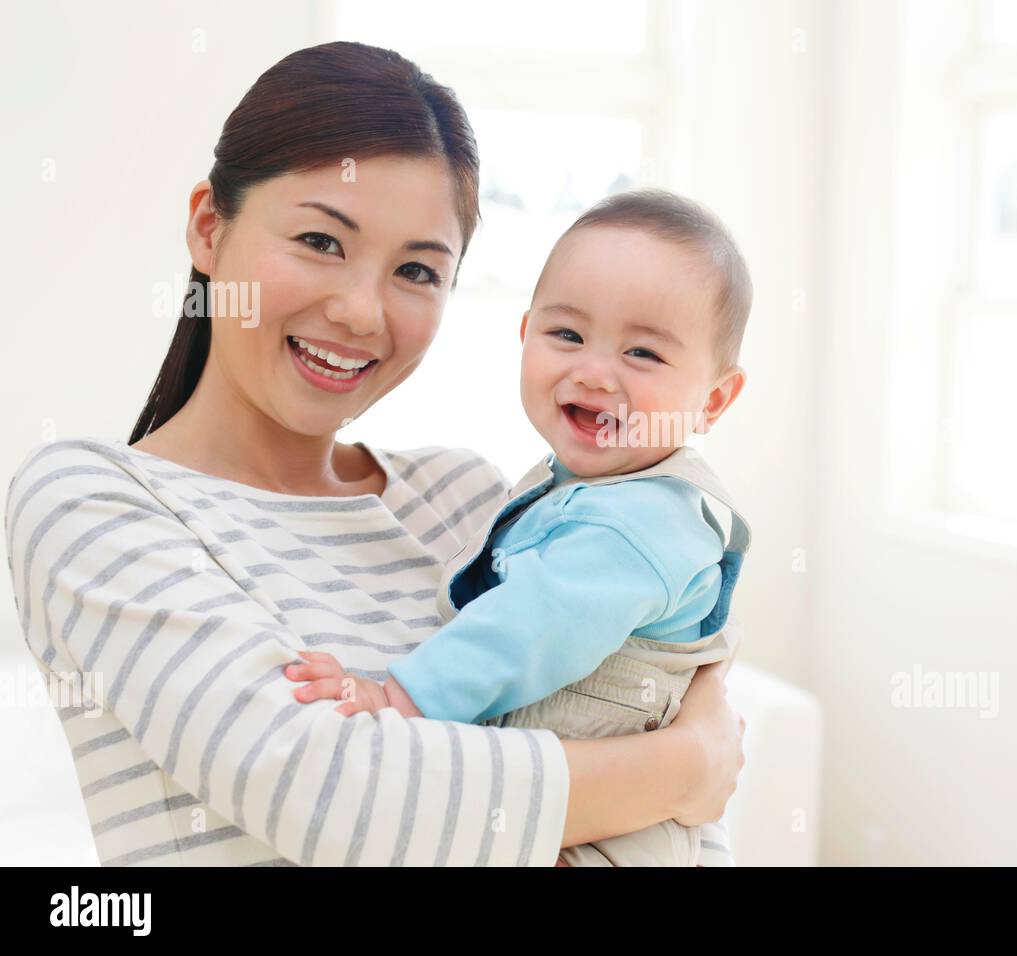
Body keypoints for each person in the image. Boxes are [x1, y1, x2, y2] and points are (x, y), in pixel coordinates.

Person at [3, 41, 744, 867]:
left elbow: (677, 791)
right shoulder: (91, 499)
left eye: (417, 270)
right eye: (322, 242)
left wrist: (677, 777)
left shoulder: (471, 499)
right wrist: (684, 769)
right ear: (210, 230)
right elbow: (332, 797)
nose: (361, 312)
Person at [286, 189, 752, 866]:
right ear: (526, 331)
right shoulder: (574, 486)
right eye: (567, 335)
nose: (594, 372)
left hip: (606, 845)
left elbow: (531, 626)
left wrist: (395, 698)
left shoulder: (644, 522)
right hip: (567, 814)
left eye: (643, 354)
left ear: (712, 398)